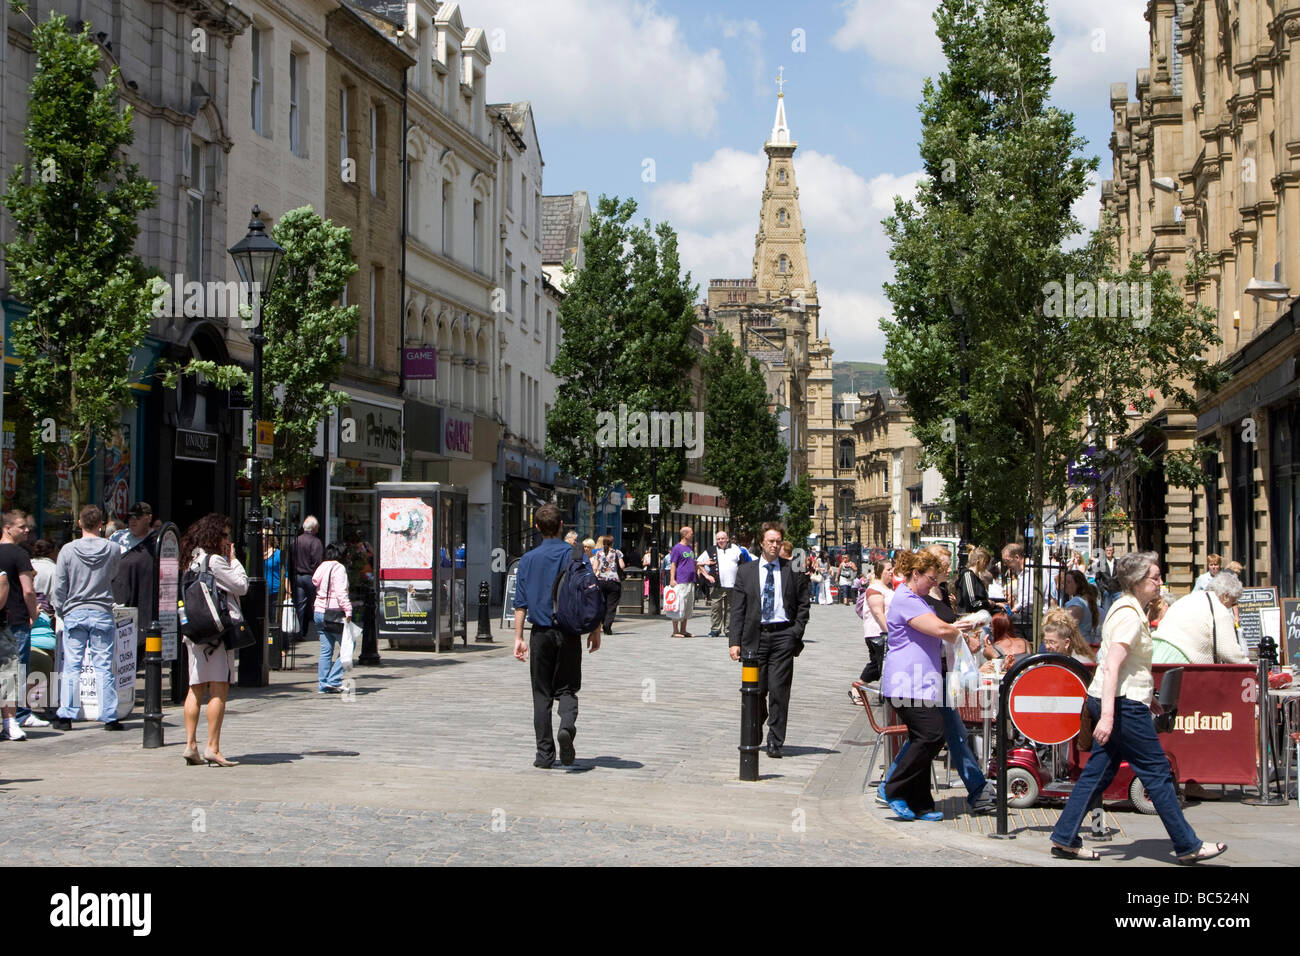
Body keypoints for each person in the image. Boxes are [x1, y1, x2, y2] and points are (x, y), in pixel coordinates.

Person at [1048, 552, 1227, 864]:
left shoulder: (1128, 609)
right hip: (1122, 705)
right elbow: (1112, 663)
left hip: (1122, 700)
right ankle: (1187, 845)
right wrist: (1106, 716)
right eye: (1154, 578)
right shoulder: (1129, 614)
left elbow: (1124, 666)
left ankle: (1065, 837)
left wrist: (1147, 695)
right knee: (1157, 771)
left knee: (1097, 774)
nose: (1159, 583)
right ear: (1137, 582)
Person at [879, 548, 976, 820]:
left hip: (921, 683)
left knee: (923, 737)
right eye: (931, 579)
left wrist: (958, 626)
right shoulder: (907, 599)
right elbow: (941, 629)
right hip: (905, 683)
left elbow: (944, 627)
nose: (935, 584)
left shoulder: (918, 599)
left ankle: (920, 802)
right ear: (916, 574)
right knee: (931, 734)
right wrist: (959, 627)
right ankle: (894, 788)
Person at [513, 504, 601, 768]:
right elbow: (590, 591)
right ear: (561, 525)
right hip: (569, 631)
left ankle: (544, 755)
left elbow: (520, 603)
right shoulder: (575, 555)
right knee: (567, 688)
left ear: (538, 527)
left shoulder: (528, 559)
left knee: (541, 694)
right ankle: (567, 726)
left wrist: (518, 637)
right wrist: (595, 629)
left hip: (540, 633)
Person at [728, 522, 811, 759]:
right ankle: (754, 730)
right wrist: (734, 641)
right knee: (755, 691)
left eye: (778, 541)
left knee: (778, 691)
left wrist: (796, 631)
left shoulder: (792, 569)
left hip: (783, 636)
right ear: (762, 542)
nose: (775, 545)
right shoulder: (746, 571)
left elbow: (804, 604)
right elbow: (738, 610)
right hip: (755, 638)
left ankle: (776, 740)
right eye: (770, 541)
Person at [178, 514, 247, 766]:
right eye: (225, 535)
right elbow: (241, 586)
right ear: (215, 536)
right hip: (216, 633)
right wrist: (235, 560)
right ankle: (213, 747)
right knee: (219, 687)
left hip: (195, 631)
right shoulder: (216, 561)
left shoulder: (191, 560)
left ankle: (190, 745)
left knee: (195, 688)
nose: (228, 540)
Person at [52, 506, 122, 732]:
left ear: (79, 523)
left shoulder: (67, 550)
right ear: (101, 524)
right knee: (103, 666)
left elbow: (60, 585)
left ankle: (66, 715)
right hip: (101, 609)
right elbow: (113, 575)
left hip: (75, 610)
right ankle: (110, 716)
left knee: (72, 665)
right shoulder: (113, 548)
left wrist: (61, 609)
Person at [0, 511, 41, 732]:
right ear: (7, 528)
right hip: (15, 619)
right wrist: (35, 614)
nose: (26, 530)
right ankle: (18, 716)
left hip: (5, 617)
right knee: (14, 671)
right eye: (21, 527)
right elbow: (28, 591)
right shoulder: (19, 554)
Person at [1152, 573, 1248, 664]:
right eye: (1233, 602)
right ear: (1226, 596)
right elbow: (1230, 652)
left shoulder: (1190, 598)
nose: (1230, 607)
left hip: (1156, 652)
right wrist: (1251, 668)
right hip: (1181, 659)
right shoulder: (1218, 609)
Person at [312, 543, 352, 694]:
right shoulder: (339, 568)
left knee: (326, 650)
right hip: (334, 612)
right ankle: (333, 679)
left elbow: (315, 582)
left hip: (319, 611)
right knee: (349, 646)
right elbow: (341, 592)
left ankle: (323, 684)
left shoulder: (322, 566)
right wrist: (348, 609)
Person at [702, 530, 746, 640]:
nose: (720, 541)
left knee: (730, 608)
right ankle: (715, 629)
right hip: (717, 585)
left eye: (722, 538)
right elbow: (698, 563)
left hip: (733, 585)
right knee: (715, 608)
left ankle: (729, 630)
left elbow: (743, 565)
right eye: (718, 539)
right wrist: (707, 576)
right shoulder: (711, 550)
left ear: (727, 539)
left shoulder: (735, 549)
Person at [290, 516, 324, 645]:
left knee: (300, 605)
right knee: (316, 605)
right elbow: (317, 560)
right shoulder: (315, 542)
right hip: (311, 576)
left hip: (298, 576)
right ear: (314, 528)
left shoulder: (296, 541)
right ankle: (320, 631)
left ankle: (298, 632)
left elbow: (292, 558)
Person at [1001, 543, 1037, 644]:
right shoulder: (1021, 573)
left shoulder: (1031, 571)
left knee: (1010, 621)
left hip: (1034, 615)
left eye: (1007, 561)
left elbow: (1030, 599)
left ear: (1017, 557)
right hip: (1026, 613)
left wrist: (1016, 608)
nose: (1006, 565)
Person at [667, 526, 698, 639]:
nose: (692, 535)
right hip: (681, 580)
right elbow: (673, 564)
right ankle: (675, 631)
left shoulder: (689, 548)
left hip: (691, 580)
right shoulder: (677, 548)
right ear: (685, 535)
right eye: (691, 533)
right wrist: (672, 579)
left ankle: (683, 630)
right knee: (679, 605)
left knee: (687, 607)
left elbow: (693, 562)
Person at [591, 535, 624, 636]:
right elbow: (622, 566)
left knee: (602, 604)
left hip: (601, 581)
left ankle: (602, 622)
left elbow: (594, 568)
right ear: (612, 543)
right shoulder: (617, 553)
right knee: (612, 605)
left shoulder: (598, 553)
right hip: (613, 582)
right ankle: (607, 625)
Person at [1062, 569, 1100, 647]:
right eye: (1065, 581)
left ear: (1078, 584)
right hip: (1086, 643)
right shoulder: (1086, 600)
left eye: (1069, 582)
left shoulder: (1077, 602)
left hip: (1078, 646)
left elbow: (1066, 628)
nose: (1065, 584)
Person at [956, 547, 997, 613]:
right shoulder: (968, 575)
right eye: (986, 562)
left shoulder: (976, 577)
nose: (986, 565)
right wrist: (988, 603)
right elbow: (972, 602)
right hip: (970, 617)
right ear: (979, 561)